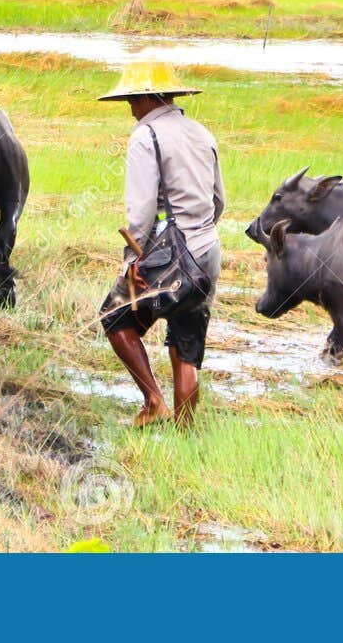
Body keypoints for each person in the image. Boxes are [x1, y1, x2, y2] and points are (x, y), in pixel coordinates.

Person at [97, 62, 225, 427]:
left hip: (166, 255)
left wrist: (133, 259)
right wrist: (196, 236)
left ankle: (153, 401)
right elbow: (219, 202)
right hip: (207, 253)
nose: (131, 110)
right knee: (185, 349)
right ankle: (184, 434)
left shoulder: (145, 135)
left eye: (131, 102)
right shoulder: (202, 133)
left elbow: (140, 211)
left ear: (146, 98)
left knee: (114, 317)